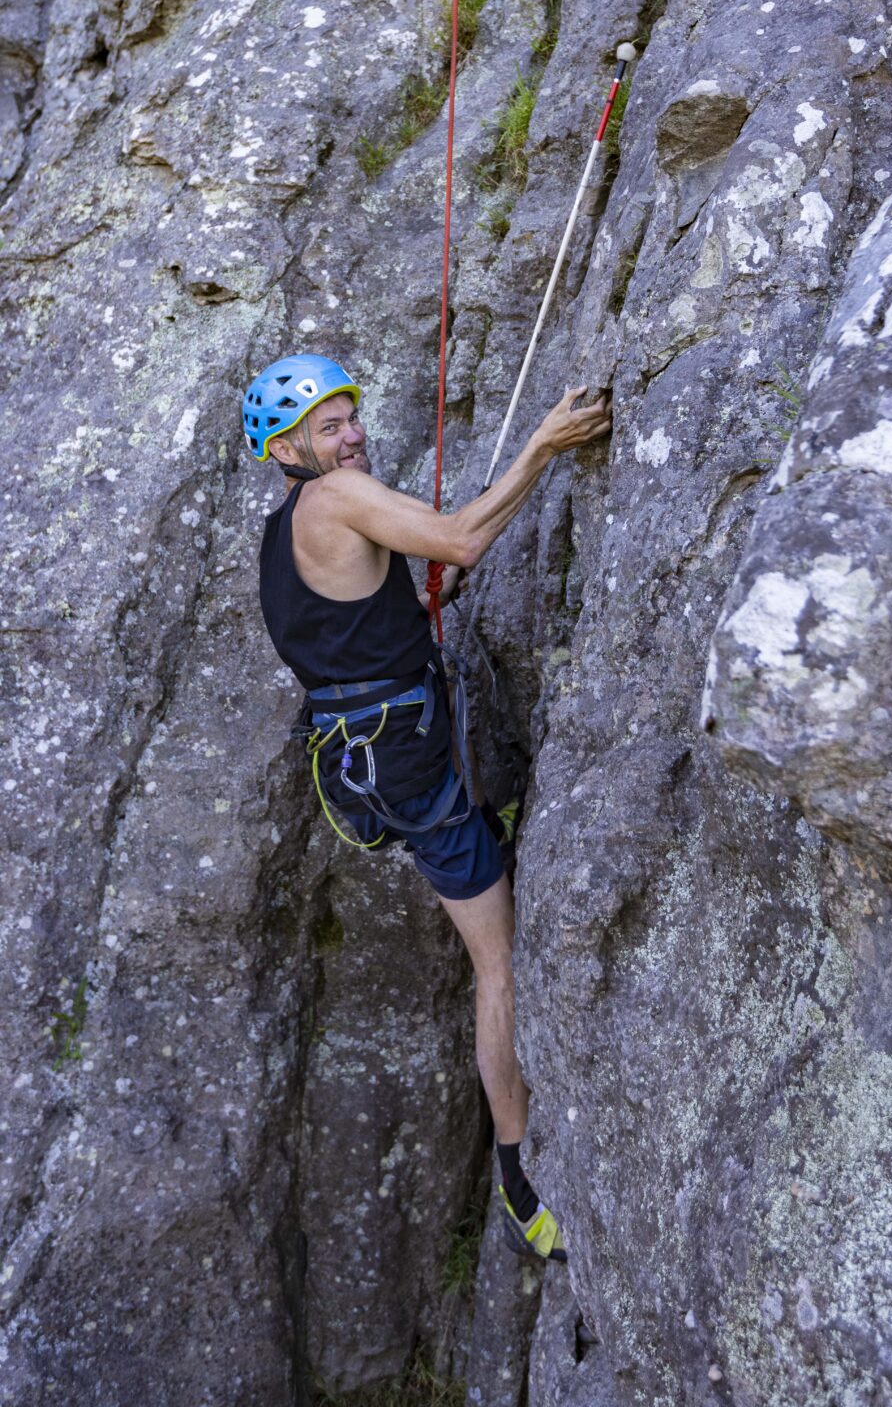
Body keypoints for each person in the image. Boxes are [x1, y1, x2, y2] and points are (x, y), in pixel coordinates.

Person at [243, 353, 611, 1262]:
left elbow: (361, 612)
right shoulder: (330, 502)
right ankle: (519, 1174)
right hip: (408, 760)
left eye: (349, 416)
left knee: (476, 885)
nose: (352, 434)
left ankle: (485, 835)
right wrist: (542, 446)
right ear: (287, 448)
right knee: (499, 963)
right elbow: (458, 541)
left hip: (372, 762)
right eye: (329, 427)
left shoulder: (288, 523)